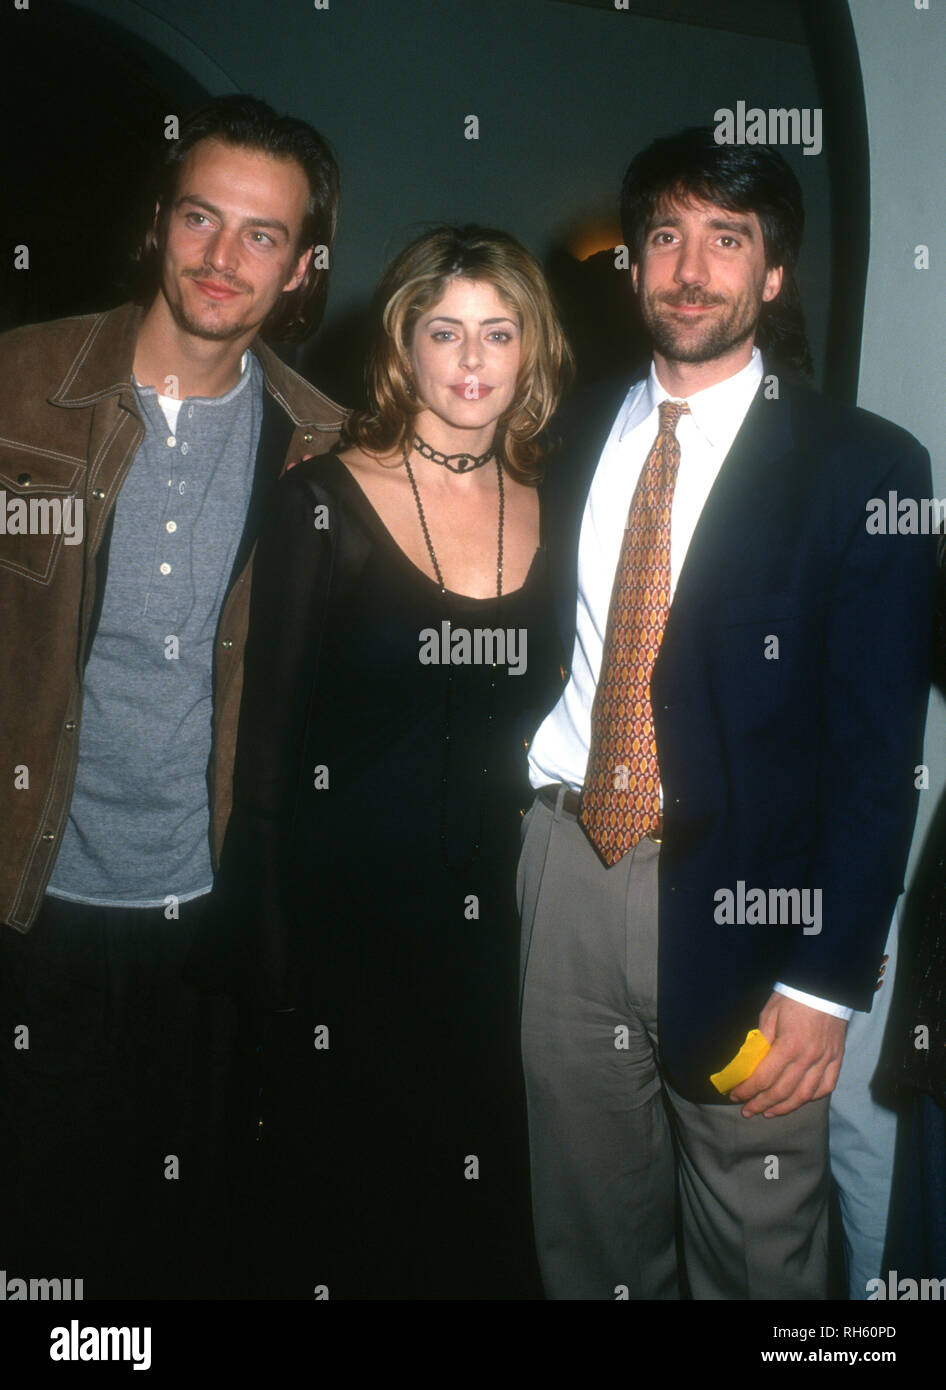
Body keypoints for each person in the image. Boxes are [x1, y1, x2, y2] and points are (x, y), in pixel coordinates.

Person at [518, 127, 934, 1300]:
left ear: (773, 274)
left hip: (753, 902)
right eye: (665, 237)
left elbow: (875, 755)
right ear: (634, 262)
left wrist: (826, 981)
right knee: (587, 1236)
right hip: (565, 873)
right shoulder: (559, 439)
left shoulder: (864, 467)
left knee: (761, 1250)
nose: (689, 269)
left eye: (726, 240)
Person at [0, 94, 344, 1299]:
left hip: (206, 914)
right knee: (33, 1227)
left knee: (176, 1233)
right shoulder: (20, 386)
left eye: (262, 235)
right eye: (201, 217)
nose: (221, 256)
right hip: (28, 900)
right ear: (159, 224)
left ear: (304, 269)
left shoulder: (326, 453)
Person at [205, 225, 571, 1298]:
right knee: (340, 1205)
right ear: (402, 347)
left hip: (497, 927)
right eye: (442, 330)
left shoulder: (567, 506)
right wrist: (265, 947)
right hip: (341, 923)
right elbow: (263, 749)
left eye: (496, 333)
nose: (469, 361)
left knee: (474, 1208)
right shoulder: (321, 502)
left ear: (530, 351)